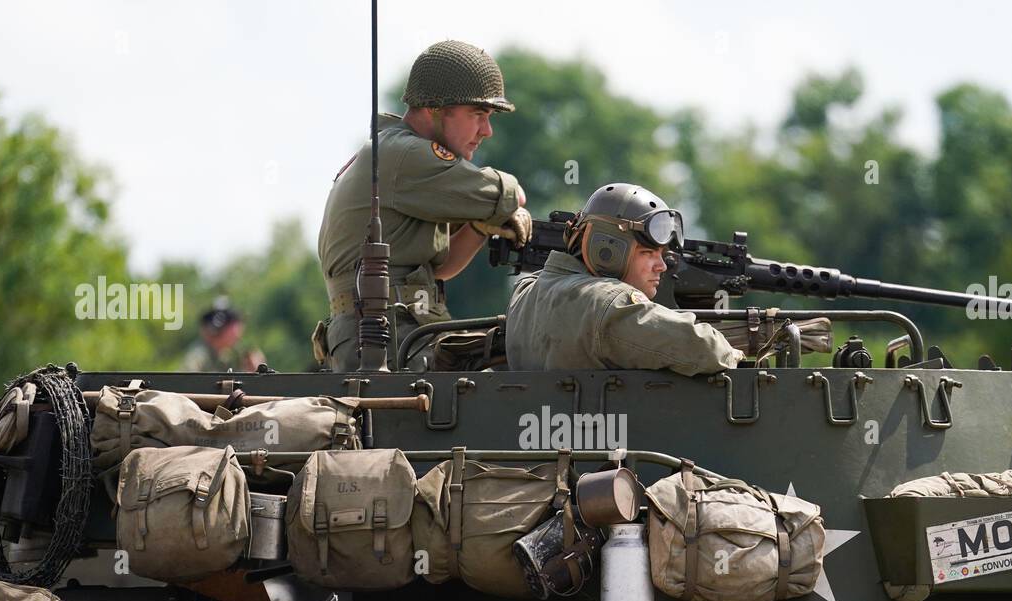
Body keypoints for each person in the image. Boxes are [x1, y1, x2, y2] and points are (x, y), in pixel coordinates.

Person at [316, 40, 532, 371]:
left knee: (514, 359)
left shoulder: (399, 156)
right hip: (387, 336)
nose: (486, 131)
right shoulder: (406, 154)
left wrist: (478, 227)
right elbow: (510, 195)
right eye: (478, 114)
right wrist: (505, 205)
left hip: (399, 330)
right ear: (435, 109)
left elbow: (440, 269)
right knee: (515, 380)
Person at [505, 183, 743, 376]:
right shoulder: (610, 302)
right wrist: (734, 354)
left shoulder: (525, 291)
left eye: (662, 255)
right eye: (647, 253)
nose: (661, 266)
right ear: (607, 250)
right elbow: (704, 349)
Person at [182, 298, 266, 373]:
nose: (238, 333)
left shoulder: (229, 355)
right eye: (233, 326)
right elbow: (187, 382)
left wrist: (255, 371)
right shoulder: (198, 356)